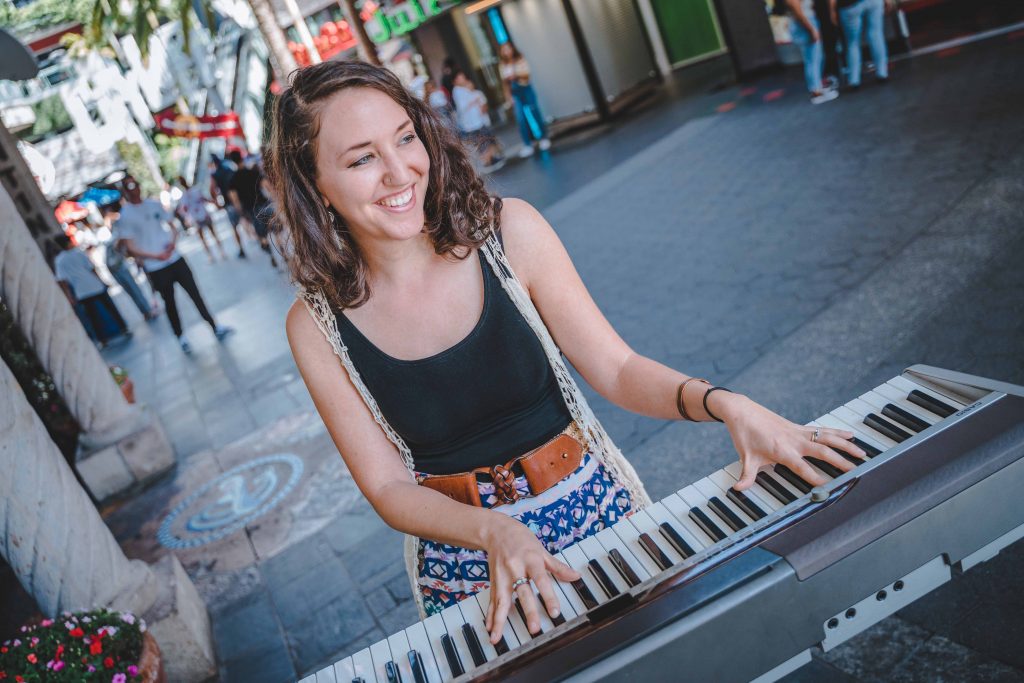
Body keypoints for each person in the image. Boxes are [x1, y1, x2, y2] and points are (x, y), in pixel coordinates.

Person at [268, 61, 864, 643]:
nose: (400, 173)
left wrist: (727, 405)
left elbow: (619, 369)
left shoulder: (508, 234)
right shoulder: (314, 325)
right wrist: (492, 530)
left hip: (596, 516)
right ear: (314, 184)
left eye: (405, 138)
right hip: (465, 563)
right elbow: (387, 488)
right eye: (362, 158)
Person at [115, 175, 233, 353]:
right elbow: (130, 247)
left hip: (174, 259)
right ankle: (180, 336)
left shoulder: (153, 205)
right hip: (156, 267)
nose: (134, 189)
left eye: (135, 184)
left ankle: (214, 325)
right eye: (129, 187)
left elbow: (172, 224)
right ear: (124, 191)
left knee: (195, 294)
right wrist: (154, 255)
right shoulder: (126, 216)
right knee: (170, 303)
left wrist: (172, 242)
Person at [53, 234, 130, 346]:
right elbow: (92, 269)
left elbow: (62, 281)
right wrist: (102, 281)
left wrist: (69, 296)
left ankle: (102, 339)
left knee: (93, 317)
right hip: (95, 286)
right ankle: (123, 328)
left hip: (82, 292)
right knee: (110, 308)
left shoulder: (60, 261)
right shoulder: (78, 253)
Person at [102, 203, 160, 320]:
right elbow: (125, 248)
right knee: (133, 289)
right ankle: (147, 310)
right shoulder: (118, 233)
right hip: (117, 266)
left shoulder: (116, 232)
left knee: (132, 289)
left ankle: (147, 310)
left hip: (116, 266)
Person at [227, 150, 279, 268]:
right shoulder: (253, 172)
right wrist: (275, 199)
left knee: (262, 235)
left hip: (252, 210)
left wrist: (241, 213)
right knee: (276, 230)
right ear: (241, 157)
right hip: (265, 204)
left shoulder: (233, 180)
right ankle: (284, 253)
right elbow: (267, 186)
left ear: (232, 161)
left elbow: (235, 201)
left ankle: (271, 255)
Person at [498, 43, 552, 158]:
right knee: (520, 119)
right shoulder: (502, 65)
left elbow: (527, 74)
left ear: (512, 49)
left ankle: (543, 138)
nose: (506, 51)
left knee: (534, 113)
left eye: (508, 48)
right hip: (515, 93)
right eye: (504, 50)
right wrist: (508, 97)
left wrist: (515, 75)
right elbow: (505, 84)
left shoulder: (520, 59)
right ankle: (528, 145)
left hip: (525, 89)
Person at [786, 0, 840, 104]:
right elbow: (797, 9)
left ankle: (817, 88)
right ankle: (816, 92)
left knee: (815, 58)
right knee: (813, 59)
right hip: (805, 23)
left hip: (806, 21)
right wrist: (811, 29)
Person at [451, 71, 505, 173]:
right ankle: (487, 161)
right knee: (482, 141)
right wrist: (474, 100)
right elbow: (462, 107)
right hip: (471, 123)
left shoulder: (464, 89)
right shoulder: (457, 90)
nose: (463, 79)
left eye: (463, 77)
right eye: (460, 78)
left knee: (485, 140)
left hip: (477, 121)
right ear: (455, 80)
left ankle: (491, 158)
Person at [831, 0, 890, 89]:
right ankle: (882, 73)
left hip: (849, 6)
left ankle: (854, 80)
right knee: (876, 35)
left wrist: (832, 11)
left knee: (852, 43)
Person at [176, 175, 227, 263]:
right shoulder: (195, 191)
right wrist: (215, 203)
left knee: (204, 238)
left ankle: (211, 256)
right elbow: (205, 199)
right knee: (213, 234)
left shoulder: (184, 196)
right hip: (203, 215)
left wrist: (186, 217)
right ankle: (221, 252)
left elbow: (184, 209)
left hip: (197, 218)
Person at [209, 154, 248, 258]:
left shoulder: (215, 174)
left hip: (229, 203)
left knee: (234, 227)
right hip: (240, 199)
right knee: (248, 219)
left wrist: (216, 202)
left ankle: (241, 248)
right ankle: (259, 239)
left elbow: (212, 189)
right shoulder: (229, 169)